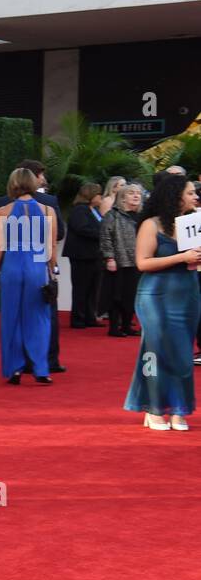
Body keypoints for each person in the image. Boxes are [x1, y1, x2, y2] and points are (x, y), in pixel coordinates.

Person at [124, 174, 201, 430]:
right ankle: (154, 409)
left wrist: (194, 260)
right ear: (176, 195)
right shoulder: (151, 224)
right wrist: (182, 258)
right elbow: (143, 262)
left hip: (187, 294)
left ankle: (180, 409)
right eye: (190, 193)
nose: (195, 197)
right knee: (156, 353)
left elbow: (192, 261)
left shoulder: (193, 223)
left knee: (182, 353)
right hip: (155, 296)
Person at [0, 159, 65, 373]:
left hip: (12, 266)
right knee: (39, 319)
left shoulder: (3, 211)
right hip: (38, 267)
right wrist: (52, 270)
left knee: (12, 317)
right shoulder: (47, 211)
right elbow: (51, 245)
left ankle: (15, 368)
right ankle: (41, 369)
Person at [99, 182, 143, 338]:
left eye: (138, 193)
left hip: (138, 261)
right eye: (131, 193)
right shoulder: (113, 215)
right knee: (116, 295)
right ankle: (114, 327)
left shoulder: (143, 216)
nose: (136, 195)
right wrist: (109, 258)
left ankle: (126, 325)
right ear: (122, 198)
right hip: (119, 261)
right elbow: (105, 237)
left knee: (131, 295)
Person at [65, 182, 104, 328]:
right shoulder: (79, 210)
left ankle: (90, 317)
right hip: (81, 255)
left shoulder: (93, 210)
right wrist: (102, 234)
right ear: (90, 195)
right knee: (81, 288)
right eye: (98, 194)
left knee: (93, 288)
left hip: (93, 254)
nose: (101, 197)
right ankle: (78, 319)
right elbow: (82, 228)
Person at [95, 176, 127, 321]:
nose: (124, 187)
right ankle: (106, 309)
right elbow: (105, 224)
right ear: (113, 187)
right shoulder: (108, 201)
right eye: (121, 185)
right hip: (110, 244)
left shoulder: (122, 202)